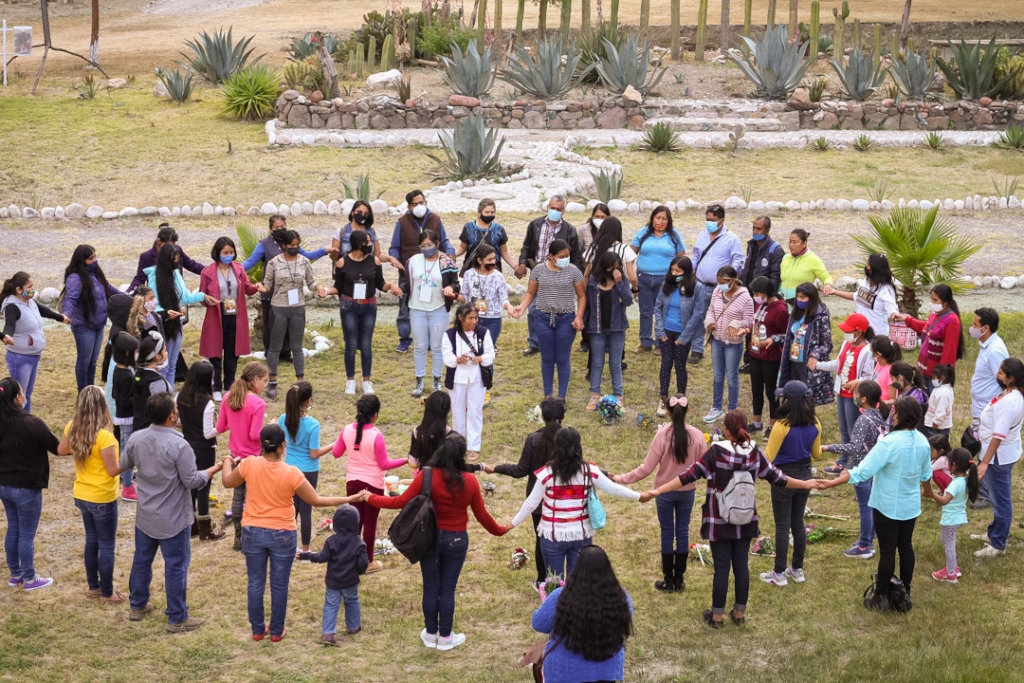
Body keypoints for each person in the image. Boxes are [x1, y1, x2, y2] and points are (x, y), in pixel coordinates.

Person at [639, 410, 817, 627]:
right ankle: (739, 613)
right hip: (745, 519)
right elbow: (779, 478)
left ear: (725, 429)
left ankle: (716, 617)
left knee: (722, 568)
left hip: (719, 520)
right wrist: (806, 483)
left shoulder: (716, 452)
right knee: (742, 566)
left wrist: (657, 491)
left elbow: (687, 476)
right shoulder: (754, 453)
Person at [366, 433, 506, 651]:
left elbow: (400, 501)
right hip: (457, 539)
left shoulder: (426, 476)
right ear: (461, 455)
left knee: (431, 586)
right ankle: (446, 637)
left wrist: (370, 498)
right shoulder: (469, 480)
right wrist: (500, 531)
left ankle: (431, 634)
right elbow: (482, 515)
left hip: (429, 538)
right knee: (447, 588)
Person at [221, 424, 357, 642]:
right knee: (279, 584)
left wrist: (227, 460)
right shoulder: (292, 473)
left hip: (252, 531)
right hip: (282, 533)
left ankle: (257, 630)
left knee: (255, 583)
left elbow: (227, 482)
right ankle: (276, 631)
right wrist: (348, 500)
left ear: (262, 445)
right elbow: (316, 501)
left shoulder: (249, 464)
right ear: (283, 446)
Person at [121, 393, 221, 631]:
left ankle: (137, 604)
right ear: (172, 416)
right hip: (174, 519)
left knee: (142, 560)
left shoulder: (136, 438)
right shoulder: (179, 444)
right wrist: (213, 470)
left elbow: (124, 464)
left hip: (146, 514)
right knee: (175, 566)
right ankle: (177, 617)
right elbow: (192, 480)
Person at [819, 397, 931, 609]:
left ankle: (881, 597)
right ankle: (905, 592)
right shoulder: (923, 442)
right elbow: (926, 475)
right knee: (905, 546)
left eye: (894, 412)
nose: (891, 416)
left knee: (887, 550)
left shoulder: (889, 443)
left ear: (900, 416)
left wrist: (831, 483)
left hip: (887, 505)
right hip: (910, 506)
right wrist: (928, 493)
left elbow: (862, 471)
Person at [508, 427, 641, 578]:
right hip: (581, 534)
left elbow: (531, 503)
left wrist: (511, 524)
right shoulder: (589, 471)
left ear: (557, 447)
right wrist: (640, 496)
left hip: (553, 535)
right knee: (577, 582)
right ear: (579, 446)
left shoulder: (547, 473)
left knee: (554, 582)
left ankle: (555, 601)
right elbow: (613, 489)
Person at [613, 395, 706, 592]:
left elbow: (645, 469)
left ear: (667, 411)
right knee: (682, 531)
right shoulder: (698, 436)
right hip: (687, 492)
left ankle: (668, 580)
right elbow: (704, 467)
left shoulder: (662, 436)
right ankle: (679, 579)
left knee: (667, 532)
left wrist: (619, 478)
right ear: (688, 410)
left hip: (663, 492)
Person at [481, 397, 564, 589]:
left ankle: (543, 580)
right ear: (563, 416)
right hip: (564, 498)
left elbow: (520, 470)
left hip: (538, 502)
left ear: (542, 416)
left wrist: (496, 468)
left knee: (542, 541)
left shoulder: (534, 439)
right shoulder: (569, 437)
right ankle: (558, 580)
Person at [531, 545, 633, 683]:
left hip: (564, 672)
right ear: (607, 568)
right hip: (606, 670)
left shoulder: (560, 596)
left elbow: (538, 623)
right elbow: (624, 622)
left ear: (577, 568)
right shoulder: (621, 596)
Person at [58, 386, 122, 601]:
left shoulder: (72, 427)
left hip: (82, 494)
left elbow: (61, 450)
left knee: (91, 541)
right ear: (102, 407)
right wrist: (129, 461)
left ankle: (93, 587)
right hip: (103, 496)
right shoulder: (105, 437)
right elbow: (113, 470)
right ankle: (107, 592)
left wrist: (79, 446)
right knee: (106, 545)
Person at [333, 393, 408, 572]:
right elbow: (384, 464)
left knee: (355, 522)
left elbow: (336, 453)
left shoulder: (346, 430)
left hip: (352, 483)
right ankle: (368, 561)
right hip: (373, 485)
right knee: (370, 523)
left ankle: (350, 557)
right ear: (374, 415)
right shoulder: (376, 435)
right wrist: (404, 460)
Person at [242, 214, 331, 363]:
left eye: (283, 227)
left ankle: (286, 352)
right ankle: (271, 353)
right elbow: (250, 262)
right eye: (277, 228)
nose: (280, 230)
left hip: (292, 293)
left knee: (290, 323)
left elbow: (307, 256)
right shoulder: (264, 244)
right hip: (271, 292)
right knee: (271, 324)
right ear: (271, 229)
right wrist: (233, 268)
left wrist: (324, 251)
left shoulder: (291, 243)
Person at [325, 228, 402, 396]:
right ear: (357, 244)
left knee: (366, 345)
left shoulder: (374, 261)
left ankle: (367, 381)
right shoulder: (342, 263)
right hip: (349, 306)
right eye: (367, 242)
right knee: (351, 345)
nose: (370, 245)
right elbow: (337, 288)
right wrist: (325, 291)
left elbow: (381, 284)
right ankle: (350, 381)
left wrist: (391, 287)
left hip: (369, 306)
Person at [0, 377, 60, 591]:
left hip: (4, 486)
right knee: (25, 534)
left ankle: (15, 574)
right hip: (26, 488)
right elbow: (58, 448)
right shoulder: (31, 423)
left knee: (13, 528)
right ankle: (29, 578)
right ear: (17, 398)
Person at [759, 381, 821, 587]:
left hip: (783, 480)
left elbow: (768, 457)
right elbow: (817, 454)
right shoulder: (815, 423)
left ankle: (778, 572)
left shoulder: (781, 425)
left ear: (787, 401)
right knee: (798, 524)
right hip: (804, 478)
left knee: (782, 525)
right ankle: (797, 569)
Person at [512, 239, 586, 401]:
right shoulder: (538, 270)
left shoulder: (574, 271)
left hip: (566, 320)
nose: (566, 258)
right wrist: (522, 307)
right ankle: (548, 396)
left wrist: (579, 317)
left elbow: (582, 296)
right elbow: (531, 293)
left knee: (562, 358)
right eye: (562, 256)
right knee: (547, 358)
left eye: (568, 255)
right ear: (551, 256)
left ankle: (561, 397)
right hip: (543, 319)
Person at [821, 380, 887, 559]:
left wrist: (828, 447)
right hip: (875, 467)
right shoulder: (878, 416)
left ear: (864, 398)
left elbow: (853, 447)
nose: (855, 396)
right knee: (872, 506)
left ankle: (864, 546)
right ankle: (868, 541)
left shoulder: (863, 420)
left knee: (865, 508)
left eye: (857, 394)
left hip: (862, 469)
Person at [261, 229, 327, 399]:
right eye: (291, 245)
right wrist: (261, 287)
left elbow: (311, 283)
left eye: (297, 245)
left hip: (297, 307)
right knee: (274, 347)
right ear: (283, 245)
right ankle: (273, 381)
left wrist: (318, 288)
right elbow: (267, 284)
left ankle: (300, 383)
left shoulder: (304, 262)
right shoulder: (273, 262)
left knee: (296, 347)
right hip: (278, 308)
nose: (295, 248)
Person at [389, 190, 456, 353]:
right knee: (405, 308)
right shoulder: (402, 222)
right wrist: (395, 259)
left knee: (431, 308)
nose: (419, 206)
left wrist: (450, 251)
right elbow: (394, 247)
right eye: (415, 204)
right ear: (409, 206)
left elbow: (444, 240)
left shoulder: (435, 219)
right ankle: (405, 339)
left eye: (422, 202)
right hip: (410, 273)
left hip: (433, 272)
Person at [516, 195, 582, 357]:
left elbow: (575, 257)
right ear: (547, 207)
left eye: (558, 209)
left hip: (560, 276)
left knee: (557, 311)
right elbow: (526, 246)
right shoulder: (535, 225)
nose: (554, 211)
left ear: (563, 211)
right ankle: (535, 342)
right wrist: (522, 263)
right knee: (533, 309)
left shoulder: (569, 230)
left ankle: (554, 340)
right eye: (552, 208)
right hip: (538, 273)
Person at [144, 243, 218, 386]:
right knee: (163, 365)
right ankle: (162, 393)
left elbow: (185, 297)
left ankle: (169, 394)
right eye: (174, 260)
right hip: (164, 324)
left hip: (177, 322)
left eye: (178, 260)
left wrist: (203, 296)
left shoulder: (176, 273)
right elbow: (154, 305)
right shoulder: (155, 278)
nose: (176, 263)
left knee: (172, 364)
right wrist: (165, 314)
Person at [972, 357, 1024, 559]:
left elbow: (998, 436)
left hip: (999, 458)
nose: (997, 375)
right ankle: (995, 532)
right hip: (1003, 455)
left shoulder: (1010, 402)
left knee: (1001, 501)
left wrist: (985, 461)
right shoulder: (1013, 394)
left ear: (1010, 379)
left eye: (1001, 373)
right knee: (998, 496)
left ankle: (998, 543)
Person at [216, 361, 270, 550]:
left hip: (236, 456)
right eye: (264, 381)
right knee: (255, 496)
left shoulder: (228, 397)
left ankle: (238, 535)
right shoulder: (258, 403)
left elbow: (220, 427)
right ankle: (252, 534)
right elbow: (255, 435)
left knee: (238, 496)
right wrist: (270, 428)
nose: (265, 385)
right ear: (255, 380)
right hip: (255, 457)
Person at [199, 236, 259, 400]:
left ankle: (229, 386)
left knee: (233, 353)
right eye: (225, 252)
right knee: (215, 353)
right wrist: (206, 299)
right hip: (216, 316)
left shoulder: (239, 269)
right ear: (217, 253)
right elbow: (201, 295)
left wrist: (256, 287)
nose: (229, 255)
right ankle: (216, 386)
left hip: (236, 317)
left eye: (231, 252)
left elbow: (247, 288)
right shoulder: (207, 272)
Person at [402, 229, 460, 397]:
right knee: (419, 346)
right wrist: (400, 289)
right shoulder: (413, 261)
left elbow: (456, 284)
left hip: (438, 309)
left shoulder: (447, 262)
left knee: (437, 346)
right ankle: (419, 381)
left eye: (429, 245)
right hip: (417, 308)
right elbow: (408, 283)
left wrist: (450, 288)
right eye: (423, 245)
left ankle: (436, 380)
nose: (426, 248)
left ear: (437, 244)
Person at [300, 505, 369, 644]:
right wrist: (359, 572)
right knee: (352, 601)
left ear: (336, 522)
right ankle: (354, 626)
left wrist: (306, 556)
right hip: (351, 581)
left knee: (331, 605)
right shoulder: (359, 543)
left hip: (333, 581)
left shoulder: (331, 541)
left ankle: (328, 633)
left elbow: (321, 557)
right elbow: (363, 563)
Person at [279, 381, 334, 556]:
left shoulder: (283, 419)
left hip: (289, 468)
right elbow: (314, 454)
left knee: (291, 508)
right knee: (306, 510)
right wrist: (334, 444)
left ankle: (288, 545)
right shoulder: (313, 425)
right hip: (308, 471)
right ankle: (305, 549)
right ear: (308, 401)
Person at [2, 272, 69, 411]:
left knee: (27, 394)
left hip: (33, 355)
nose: (32, 290)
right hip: (20, 358)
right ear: (19, 290)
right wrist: (6, 336)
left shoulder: (29, 302)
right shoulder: (12, 307)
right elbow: (9, 326)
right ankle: (17, 425)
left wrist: (60, 318)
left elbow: (43, 310)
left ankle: (26, 422)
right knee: (19, 397)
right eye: (29, 287)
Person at [688, 204, 745, 365]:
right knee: (699, 316)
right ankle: (697, 349)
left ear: (722, 220)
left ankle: (723, 349)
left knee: (722, 318)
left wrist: (728, 278)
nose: (709, 223)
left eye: (712, 220)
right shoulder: (701, 236)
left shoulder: (732, 239)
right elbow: (696, 257)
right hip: (700, 283)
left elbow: (738, 260)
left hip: (721, 287)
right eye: (707, 220)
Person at [176, 360, 225, 542]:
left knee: (190, 486)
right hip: (204, 450)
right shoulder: (207, 403)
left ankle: (192, 526)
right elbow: (208, 432)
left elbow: (178, 421)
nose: (213, 381)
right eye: (211, 378)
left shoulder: (180, 396)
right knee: (204, 487)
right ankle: (205, 529)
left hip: (187, 445)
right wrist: (222, 427)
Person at [629, 205, 687, 353]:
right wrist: (631, 275)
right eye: (658, 217)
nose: (660, 221)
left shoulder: (674, 235)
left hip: (665, 279)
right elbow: (630, 254)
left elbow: (681, 255)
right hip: (644, 278)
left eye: (664, 218)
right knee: (645, 311)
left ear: (669, 221)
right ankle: (645, 342)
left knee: (662, 312)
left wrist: (678, 276)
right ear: (652, 218)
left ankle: (661, 343)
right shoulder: (643, 233)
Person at [63, 244, 121, 391]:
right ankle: (83, 392)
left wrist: (127, 296)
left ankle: (90, 389)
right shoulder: (75, 278)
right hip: (84, 326)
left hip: (98, 324)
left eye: (95, 256)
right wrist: (66, 314)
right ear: (81, 260)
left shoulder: (96, 273)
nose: (94, 260)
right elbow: (70, 298)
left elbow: (109, 289)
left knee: (93, 361)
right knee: (84, 360)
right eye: (90, 258)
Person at [810, 313, 875, 445]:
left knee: (853, 431)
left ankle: (853, 461)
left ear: (859, 332)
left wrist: (857, 382)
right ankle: (843, 460)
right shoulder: (846, 343)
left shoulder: (867, 351)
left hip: (854, 396)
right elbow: (838, 364)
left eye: (848, 331)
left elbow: (869, 377)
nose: (845, 333)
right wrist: (817, 365)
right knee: (843, 430)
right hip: (842, 393)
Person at [653, 256, 706, 415]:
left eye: (678, 271)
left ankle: (680, 399)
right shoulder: (666, 284)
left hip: (683, 333)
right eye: (673, 270)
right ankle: (663, 399)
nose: (675, 273)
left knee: (680, 365)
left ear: (687, 272)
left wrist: (684, 337)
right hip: (666, 333)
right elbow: (657, 308)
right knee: (666, 364)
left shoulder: (697, 288)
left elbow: (698, 313)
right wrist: (660, 331)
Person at [967, 307, 1008, 509]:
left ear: (986, 328)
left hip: (989, 409)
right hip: (981, 407)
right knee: (976, 446)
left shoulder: (995, 350)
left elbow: (1005, 380)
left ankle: (985, 494)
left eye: (975, 325)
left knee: (985, 450)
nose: (972, 328)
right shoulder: (986, 346)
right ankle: (978, 488)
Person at [702, 265, 754, 423]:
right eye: (718, 282)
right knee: (717, 375)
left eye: (723, 282)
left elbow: (750, 321)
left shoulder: (745, 298)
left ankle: (732, 410)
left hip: (733, 343)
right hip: (717, 340)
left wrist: (736, 324)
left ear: (732, 281)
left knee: (731, 376)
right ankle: (716, 407)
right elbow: (711, 310)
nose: (720, 285)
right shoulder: (717, 292)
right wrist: (710, 322)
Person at [443, 303, 494, 460]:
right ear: (460, 318)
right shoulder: (449, 334)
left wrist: (481, 358)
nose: (474, 321)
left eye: (476, 318)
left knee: (475, 411)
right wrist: (457, 359)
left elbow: (491, 354)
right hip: (457, 378)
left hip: (477, 377)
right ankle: (457, 444)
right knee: (457, 411)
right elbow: (446, 356)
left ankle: (473, 447)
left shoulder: (483, 333)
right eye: (470, 318)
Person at [891, 284, 964, 391]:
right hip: (923, 371)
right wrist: (907, 320)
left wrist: (941, 376)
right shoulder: (935, 314)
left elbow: (949, 352)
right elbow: (926, 327)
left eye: (935, 300)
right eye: (931, 299)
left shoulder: (952, 321)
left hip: (934, 375)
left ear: (945, 302)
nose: (932, 302)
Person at [584, 250, 633, 410]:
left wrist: (619, 282)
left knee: (615, 363)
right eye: (612, 268)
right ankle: (595, 395)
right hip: (596, 328)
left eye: (618, 267)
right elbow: (588, 305)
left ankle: (618, 394)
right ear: (603, 268)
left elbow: (627, 301)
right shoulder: (592, 283)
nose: (615, 271)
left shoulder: (622, 281)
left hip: (617, 328)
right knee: (597, 363)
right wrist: (583, 324)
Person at [923, 448, 977, 583]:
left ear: (954, 466)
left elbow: (944, 501)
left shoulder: (955, 484)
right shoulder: (965, 479)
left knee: (948, 545)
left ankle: (951, 573)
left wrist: (932, 494)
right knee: (946, 540)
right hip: (957, 518)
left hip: (951, 520)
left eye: (949, 464)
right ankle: (953, 568)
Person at [737, 216, 783, 372]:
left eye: (759, 229)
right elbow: (747, 268)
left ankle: (762, 358)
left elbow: (775, 277)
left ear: (767, 230)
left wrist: (768, 298)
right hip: (748, 295)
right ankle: (749, 360)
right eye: (753, 228)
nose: (755, 232)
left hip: (762, 298)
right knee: (749, 327)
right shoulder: (751, 246)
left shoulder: (775, 250)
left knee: (761, 328)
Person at [779, 282, 834, 406]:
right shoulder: (796, 314)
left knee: (807, 404)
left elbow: (827, 344)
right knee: (793, 399)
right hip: (794, 363)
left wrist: (814, 355)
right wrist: (775, 339)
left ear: (812, 298)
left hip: (809, 367)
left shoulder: (820, 316)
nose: (799, 300)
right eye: (798, 296)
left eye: (803, 297)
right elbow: (791, 336)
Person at [746, 276, 788, 433]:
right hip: (755, 353)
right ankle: (756, 421)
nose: (755, 296)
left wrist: (773, 340)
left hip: (771, 357)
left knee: (771, 391)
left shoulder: (781, 309)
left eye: (757, 293)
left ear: (766, 292)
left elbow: (786, 335)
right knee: (756, 389)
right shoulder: (760, 305)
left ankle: (773, 423)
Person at [823, 253, 898, 336]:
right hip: (861, 333)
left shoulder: (886, 290)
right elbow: (856, 296)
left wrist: (894, 315)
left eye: (868, 265)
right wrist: (835, 292)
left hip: (877, 335)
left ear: (875, 268)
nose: (866, 267)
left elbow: (892, 310)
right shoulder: (866, 281)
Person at [458, 243, 514, 348]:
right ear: (479, 260)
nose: (493, 262)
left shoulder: (498, 277)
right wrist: (455, 296)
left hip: (493, 320)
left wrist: (509, 307)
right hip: (472, 318)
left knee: (487, 351)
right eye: (489, 260)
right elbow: (464, 296)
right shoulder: (469, 275)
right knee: (472, 349)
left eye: (494, 259)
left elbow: (503, 298)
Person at [128, 224, 206, 293]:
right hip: (158, 299)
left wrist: (210, 271)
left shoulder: (177, 249)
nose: (173, 247)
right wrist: (129, 291)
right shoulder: (146, 257)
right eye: (169, 244)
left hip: (178, 296)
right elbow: (140, 278)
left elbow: (191, 265)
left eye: (174, 243)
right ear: (159, 241)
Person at [110, 333, 140, 501]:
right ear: (128, 354)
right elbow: (124, 400)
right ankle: (128, 487)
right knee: (127, 452)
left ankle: (125, 477)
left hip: (120, 417)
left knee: (123, 448)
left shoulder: (118, 370)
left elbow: (115, 394)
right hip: (127, 418)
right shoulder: (128, 376)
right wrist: (139, 396)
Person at [332, 200, 403, 269]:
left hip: (367, 274)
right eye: (359, 212)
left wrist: (391, 258)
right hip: (346, 275)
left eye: (366, 214)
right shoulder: (341, 232)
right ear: (352, 213)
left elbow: (377, 255)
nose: (362, 215)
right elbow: (334, 257)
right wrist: (333, 254)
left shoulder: (373, 232)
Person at [454, 198, 516, 275]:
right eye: (487, 212)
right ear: (479, 212)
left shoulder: (499, 229)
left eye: (492, 212)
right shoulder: (468, 228)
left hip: (493, 272)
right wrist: (451, 255)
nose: (490, 214)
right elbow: (462, 247)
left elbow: (504, 251)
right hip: (472, 272)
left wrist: (515, 267)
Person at [582, 212, 637, 290]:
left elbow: (586, 275)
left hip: (597, 291)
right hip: (619, 291)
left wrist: (584, 294)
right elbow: (632, 278)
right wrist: (635, 289)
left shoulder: (593, 247)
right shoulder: (625, 249)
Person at [131, 331, 173, 433]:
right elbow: (160, 411)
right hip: (152, 433)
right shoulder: (156, 382)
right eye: (164, 350)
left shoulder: (138, 373)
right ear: (157, 356)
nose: (167, 353)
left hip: (138, 427)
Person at [779, 229, 832, 303]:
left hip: (802, 304)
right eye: (790, 241)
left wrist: (827, 285)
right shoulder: (785, 258)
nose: (791, 245)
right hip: (784, 304)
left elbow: (826, 277)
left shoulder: (813, 259)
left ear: (804, 243)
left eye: (794, 242)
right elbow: (781, 281)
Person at [407, 391, 453, 470]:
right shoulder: (450, 434)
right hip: (445, 478)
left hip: (424, 477)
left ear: (427, 407)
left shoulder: (417, 431)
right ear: (448, 411)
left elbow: (413, 463)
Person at [924, 364, 955, 439]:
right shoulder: (946, 389)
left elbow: (941, 411)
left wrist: (935, 423)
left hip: (937, 428)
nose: (932, 380)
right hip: (941, 426)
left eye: (934, 377)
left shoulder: (942, 393)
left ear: (942, 378)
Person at [868, 337, 902, 402]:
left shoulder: (890, 372)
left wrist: (880, 405)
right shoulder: (879, 363)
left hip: (880, 410)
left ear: (878, 354)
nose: (870, 353)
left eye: (871, 351)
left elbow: (893, 400)